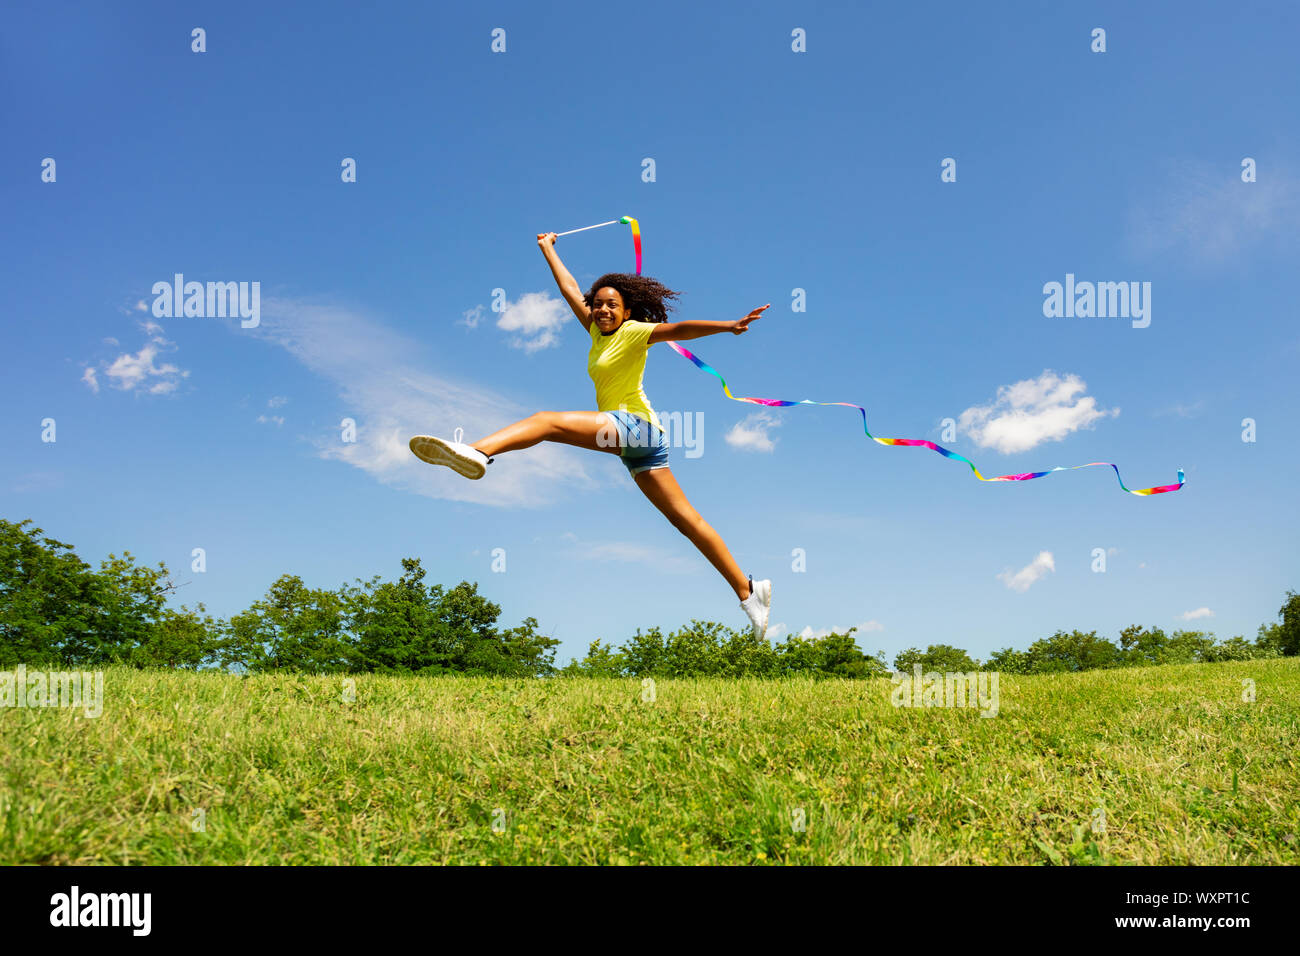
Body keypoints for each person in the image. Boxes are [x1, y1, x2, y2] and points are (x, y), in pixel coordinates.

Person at [409, 231, 773, 638]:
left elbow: (680, 329)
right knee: (688, 522)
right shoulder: (595, 331)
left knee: (546, 421)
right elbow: (568, 288)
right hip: (636, 450)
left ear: (626, 310)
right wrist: (548, 249)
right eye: (597, 304)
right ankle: (748, 592)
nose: (602, 309)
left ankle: (476, 451)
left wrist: (728, 325)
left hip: (636, 427)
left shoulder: (634, 332)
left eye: (611, 305)